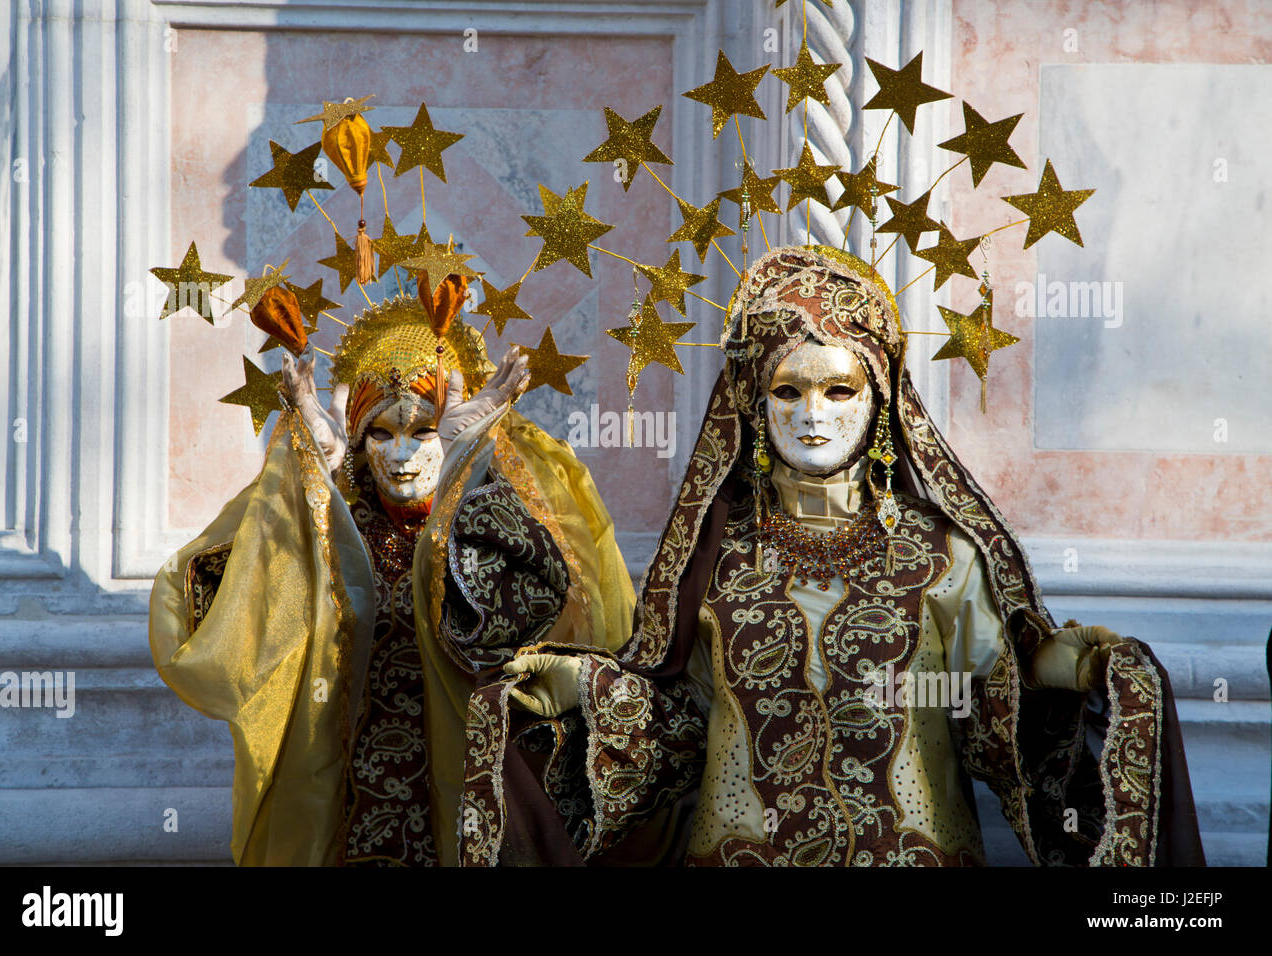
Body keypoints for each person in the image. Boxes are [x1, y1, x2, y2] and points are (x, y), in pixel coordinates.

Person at [498, 245, 1205, 866]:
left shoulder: (941, 556)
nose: (813, 414)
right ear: (752, 402)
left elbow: (994, 703)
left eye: (840, 389)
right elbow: (680, 727)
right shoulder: (712, 561)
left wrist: (1067, 668)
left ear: (880, 397)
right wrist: (583, 689)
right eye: (788, 389)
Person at [149, 293, 634, 865]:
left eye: (424, 432)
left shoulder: (488, 527)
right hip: (349, 813)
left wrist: (463, 462)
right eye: (379, 433)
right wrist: (312, 475)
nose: (402, 454)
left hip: (462, 807)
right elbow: (234, 612)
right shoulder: (331, 536)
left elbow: (556, 616)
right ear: (356, 439)